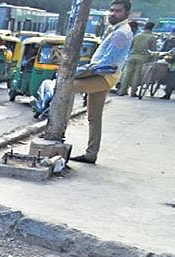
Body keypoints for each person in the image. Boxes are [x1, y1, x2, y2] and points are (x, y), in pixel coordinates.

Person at [70, 0, 133, 164]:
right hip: (104, 76)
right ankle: (91, 154)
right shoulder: (116, 30)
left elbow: (105, 63)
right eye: (111, 10)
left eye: (118, 11)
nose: (113, 14)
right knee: (94, 117)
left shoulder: (121, 33)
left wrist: (78, 72)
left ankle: (56, 133)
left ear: (127, 14)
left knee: (65, 88)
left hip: (102, 76)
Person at [116, 21, 156, 95]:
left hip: (131, 56)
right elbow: (153, 50)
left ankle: (122, 90)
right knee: (137, 75)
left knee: (127, 74)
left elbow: (130, 46)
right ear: (152, 28)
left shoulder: (137, 35)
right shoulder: (152, 37)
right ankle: (133, 92)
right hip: (142, 58)